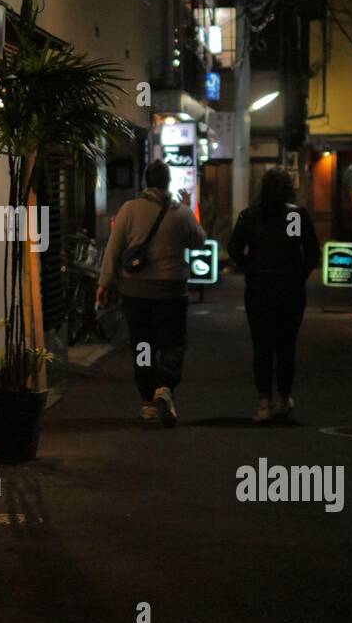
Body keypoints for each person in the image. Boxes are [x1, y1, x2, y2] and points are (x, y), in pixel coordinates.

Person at [96, 158, 207, 425]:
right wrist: (189, 206)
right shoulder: (179, 213)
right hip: (171, 293)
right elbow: (200, 241)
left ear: (146, 181)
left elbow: (113, 248)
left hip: (136, 294)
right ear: (168, 182)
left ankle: (147, 400)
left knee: (143, 344)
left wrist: (104, 283)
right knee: (172, 343)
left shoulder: (129, 209)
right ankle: (164, 387)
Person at [227, 167, 320, 423]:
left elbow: (234, 247)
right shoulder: (295, 216)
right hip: (290, 288)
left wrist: (249, 267)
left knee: (262, 345)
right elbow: (310, 251)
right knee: (286, 345)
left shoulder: (250, 215)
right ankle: (284, 398)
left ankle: (264, 402)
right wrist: (299, 274)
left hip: (259, 287)